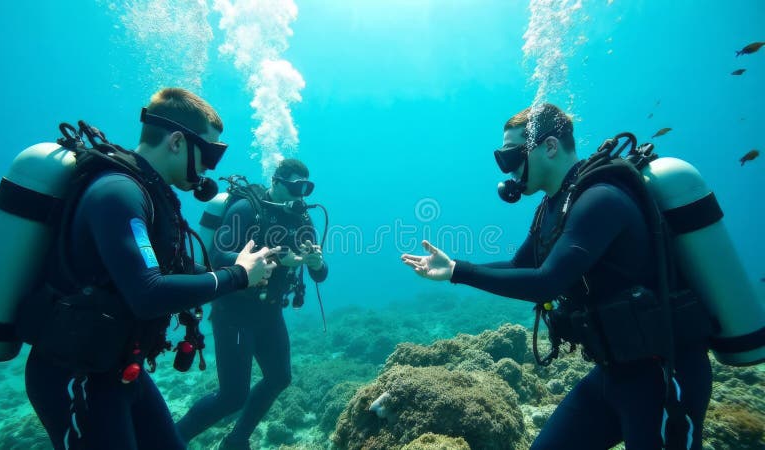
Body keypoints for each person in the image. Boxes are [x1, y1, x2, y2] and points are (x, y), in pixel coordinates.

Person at [401, 103, 712, 449]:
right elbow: (522, 268)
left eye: (512, 156)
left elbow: (546, 282)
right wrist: (453, 267)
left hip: (665, 375)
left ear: (549, 147)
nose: (508, 169)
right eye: (503, 159)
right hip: (613, 373)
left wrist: (461, 272)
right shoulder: (553, 207)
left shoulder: (599, 199)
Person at [21, 87, 279, 450]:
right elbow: (148, 294)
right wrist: (236, 276)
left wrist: (238, 268)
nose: (210, 167)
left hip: (119, 366)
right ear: (176, 142)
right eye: (209, 152)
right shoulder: (119, 192)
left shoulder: (149, 195)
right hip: (76, 373)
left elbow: (171, 265)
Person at [177, 158, 328, 450]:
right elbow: (217, 255)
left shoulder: (303, 220)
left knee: (280, 377)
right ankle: (170, 438)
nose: (300, 195)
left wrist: (317, 263)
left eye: (306, 188)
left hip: (270, 312)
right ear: (275, 182)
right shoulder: (247, 210)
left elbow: (320, 275)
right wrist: (271, 257)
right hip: (234, 310)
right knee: (233, 396)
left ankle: (236, 440)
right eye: (295, 187)